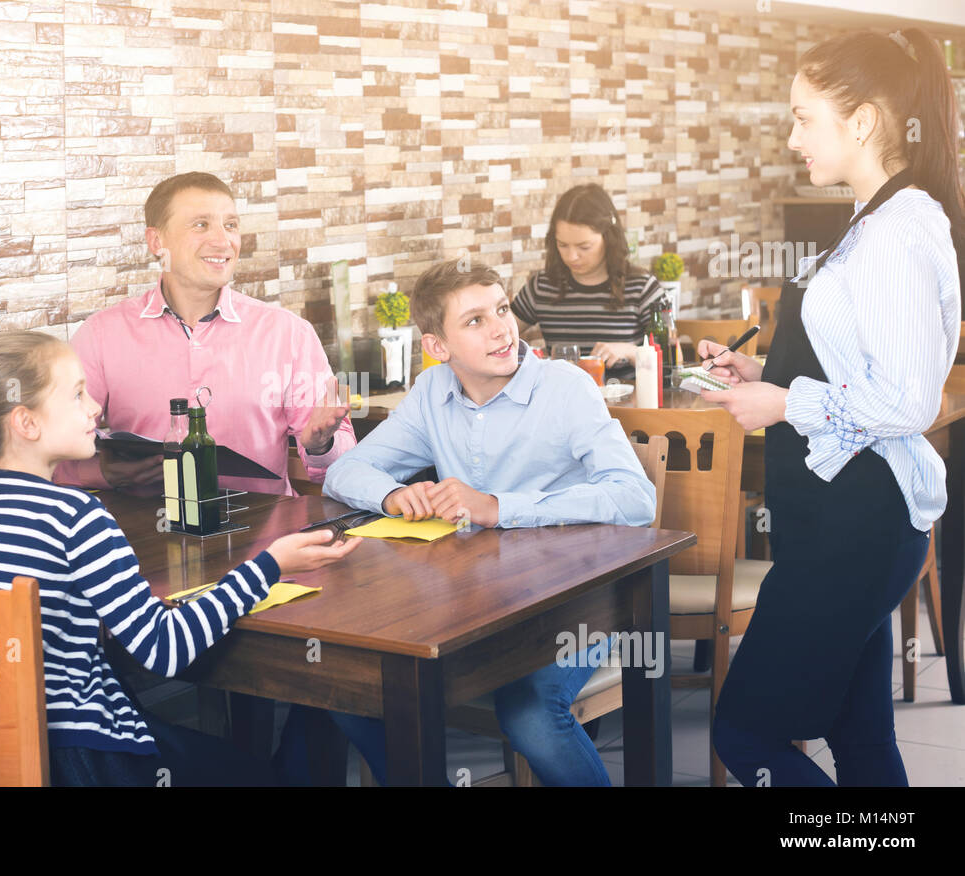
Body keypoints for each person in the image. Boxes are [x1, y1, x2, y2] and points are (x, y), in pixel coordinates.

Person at [0, 330, 361, 786]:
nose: (96, 408)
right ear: (26, 422)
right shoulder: (74, 515)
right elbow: (165, 649)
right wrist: (270, 565)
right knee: (258, 774)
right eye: (77, 396)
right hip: (82, 760)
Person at [703, 28, 963, 786]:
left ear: (863, 121)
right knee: (861, 742)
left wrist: (786, 403)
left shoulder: (895, 232)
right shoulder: (873, 222)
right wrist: (763, 369)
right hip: (839, 523)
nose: (791, 138)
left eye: (802, 117)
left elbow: (909, 401)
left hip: (856, 530)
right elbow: (862, 364)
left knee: (746, 736)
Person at [312, 258, 656, 786]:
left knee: (530, 714)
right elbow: (347, 470)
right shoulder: (432, 394)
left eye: (500, 309)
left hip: (577, 602)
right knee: (347, 689)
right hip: (475, 607)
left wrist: (499, 506)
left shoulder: (565, 388)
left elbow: (636, 498)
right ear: (438, 348)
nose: (501, 327)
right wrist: (394, 494)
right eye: (475, 320)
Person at [53, 171, 354, 496]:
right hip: (147, 534)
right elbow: (52, 450)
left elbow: (346, 466)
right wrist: (104, 471)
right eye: (201, 224)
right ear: (156, 241)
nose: (223, 241)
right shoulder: (101, 335)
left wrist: (321, 444)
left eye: (231, 225)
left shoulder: (288, 333)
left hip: (264, 534)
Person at [511, 183, 666, 371]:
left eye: (584, 247)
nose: (571, 256)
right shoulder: (542, 286)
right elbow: (500, 332)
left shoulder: (642, 288)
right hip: (562, 397)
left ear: (608, 238)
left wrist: (631, 351)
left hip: (624, 399)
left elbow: (672, 362)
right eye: (562, 245)